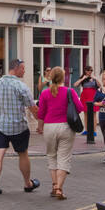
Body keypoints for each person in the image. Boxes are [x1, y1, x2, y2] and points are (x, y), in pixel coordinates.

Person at [0, 58, 41, 195]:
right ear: (15, 69)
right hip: (18, 127)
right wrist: (41, 122)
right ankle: (27, 184)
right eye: (23, 68)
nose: (24, 71)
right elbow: (33, 108)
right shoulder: (21, 87)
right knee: (23, 154)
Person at [36, 66, 76, 200]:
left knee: (52, 156)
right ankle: (59, 188)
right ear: (63, 77)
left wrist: (39, 127)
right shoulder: (70, 91)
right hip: (66, 127)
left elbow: (41, 113)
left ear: (50, 77)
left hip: (49, 127)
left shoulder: (45, 93)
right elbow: (80, 107)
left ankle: (54, 186)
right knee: (63, 158)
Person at [75, 66, 97, 145]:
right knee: (85, 113)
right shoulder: (83, 78)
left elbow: (100, 85)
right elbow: (75, 84)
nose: (89, 72)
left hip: (92, 95)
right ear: (85, 71)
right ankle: (87, 130)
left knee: (93, 113)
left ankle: (94, 131)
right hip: (85, 96)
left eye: (91, 70)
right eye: (88, 70)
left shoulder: (94, 79)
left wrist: (95, 78)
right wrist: (83, 78)